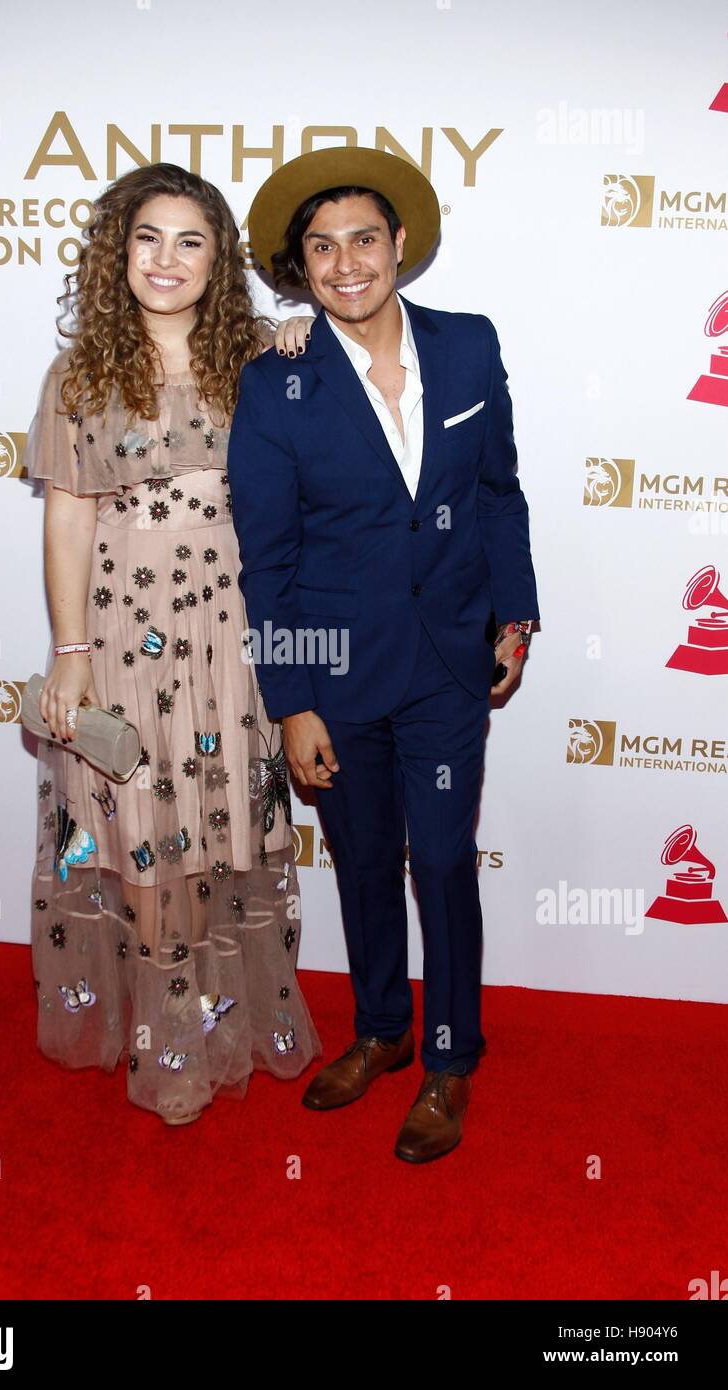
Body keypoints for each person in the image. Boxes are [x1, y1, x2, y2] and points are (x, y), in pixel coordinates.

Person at [227, 147, 539, 1162]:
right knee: (362, 860)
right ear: (299, 267)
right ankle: (380, 1030)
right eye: (320, 247)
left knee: (442, 862)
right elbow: (266, 558)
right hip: (337, 671)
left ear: (400, 245)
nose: (344, 262)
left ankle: (449, 1057)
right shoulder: (274, 386)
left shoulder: (466, 345)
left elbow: (496, 492)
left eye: (362, 238)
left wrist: (516, 613)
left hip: (449, 658)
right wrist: (291, 700)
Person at [23, 162, 320, 1126]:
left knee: (225, 833)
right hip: (122, 634)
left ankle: (224, 1020)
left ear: (217, 259)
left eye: (190, 241)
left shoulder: (258, 362)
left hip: (231, 626)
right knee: (146, 838)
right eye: (147, 237)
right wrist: (71, 653)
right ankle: (172, 1043)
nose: (167, 260)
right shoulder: (83, 374)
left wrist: (304, 337)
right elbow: (67, 522)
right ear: (119, 251)